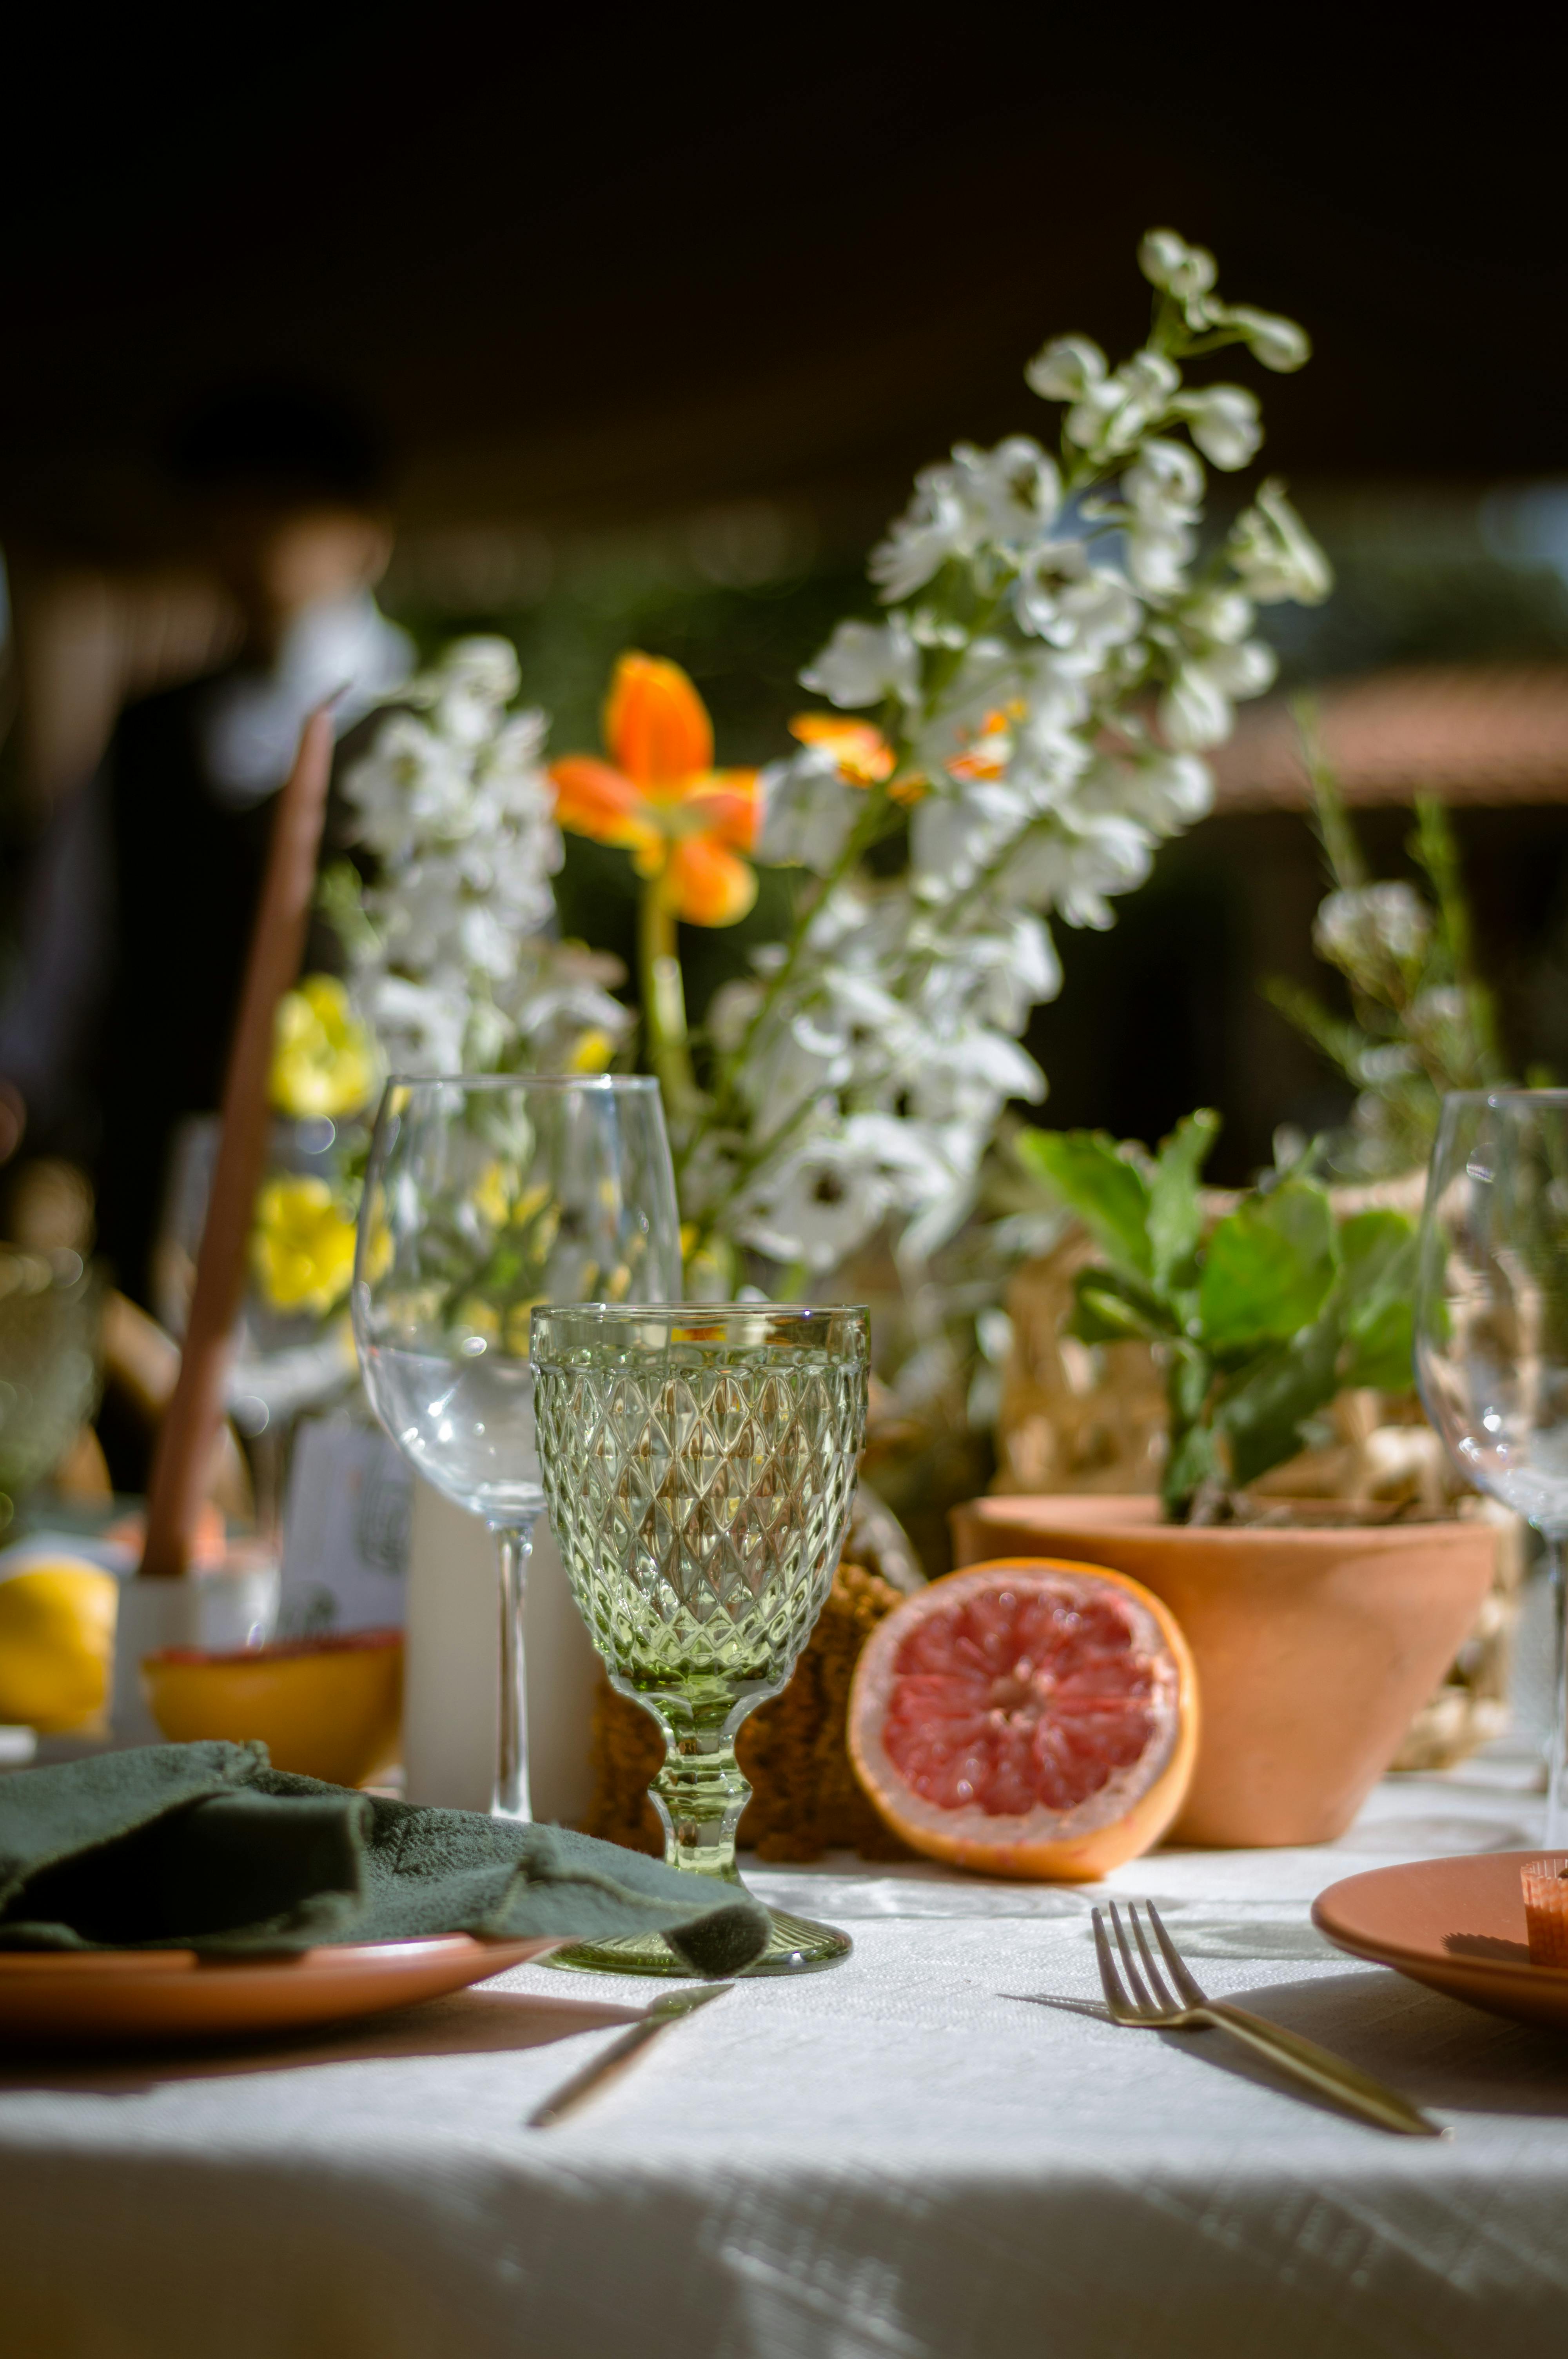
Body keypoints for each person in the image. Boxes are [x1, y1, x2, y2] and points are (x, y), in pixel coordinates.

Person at [0, 386, 412, 1309]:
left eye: (283, 508)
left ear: (364, 531)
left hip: (352, 1180)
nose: (254, 539)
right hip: (158, 1173)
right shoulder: (149, 733)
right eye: (228, 511)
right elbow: (75, 943)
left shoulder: (428, 737)